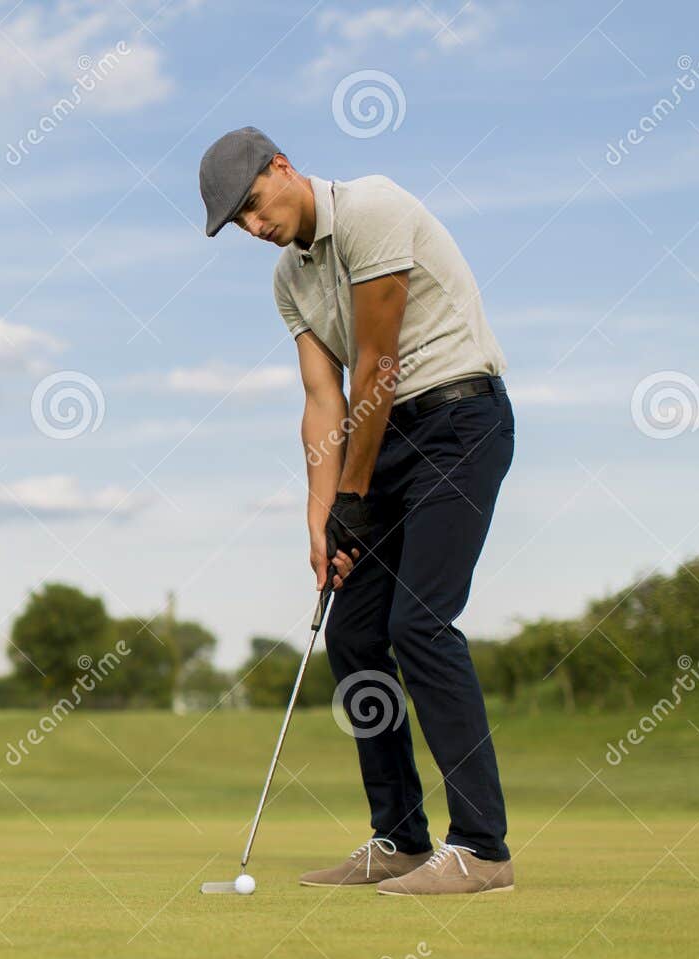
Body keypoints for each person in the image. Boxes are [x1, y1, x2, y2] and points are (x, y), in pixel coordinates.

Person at [199, 127, 516, 895]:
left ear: (283, 167)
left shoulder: (372, 207)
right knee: (354, 633)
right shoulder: (289, 278)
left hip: (458, 421)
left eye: (253, 204)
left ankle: (482, 849)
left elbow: (379, 364)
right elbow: (323, 398)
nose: (254, 225)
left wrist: (353, 495)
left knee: (420, 624)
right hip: (385, 442)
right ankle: (400, 837)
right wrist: (323, 516)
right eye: (238, 222)